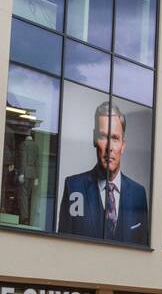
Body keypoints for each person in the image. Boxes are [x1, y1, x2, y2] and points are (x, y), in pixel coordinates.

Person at [57, 101, 149, 244]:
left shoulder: (139, 194)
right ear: (94, 139)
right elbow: (63, 246)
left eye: (115, 138)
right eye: (103, 137)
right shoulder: (74, 187)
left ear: (123, 145)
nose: (109, 147)